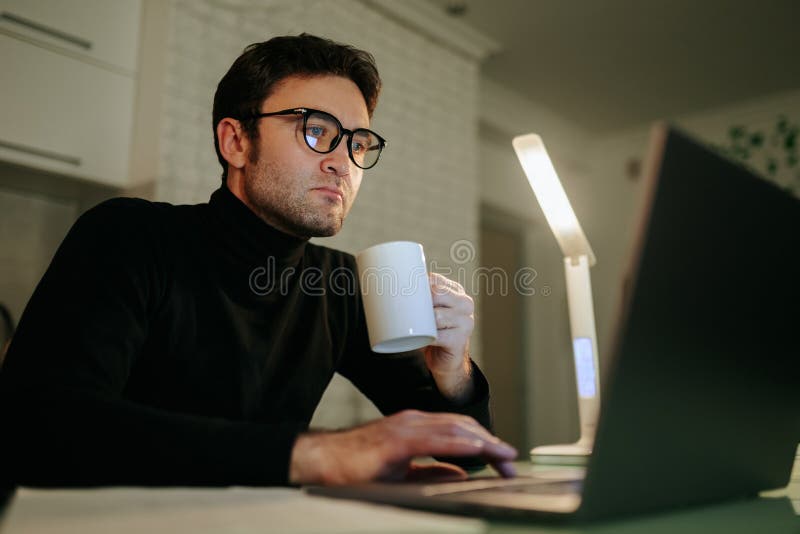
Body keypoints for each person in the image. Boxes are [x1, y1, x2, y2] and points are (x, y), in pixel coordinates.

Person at [0, 34, 516, 487]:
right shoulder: (130, 235)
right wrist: (317, 454)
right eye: (317, 130)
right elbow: (41, 427)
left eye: (359, 142)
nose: (343, 162)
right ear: (236, 141)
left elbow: (466, 457)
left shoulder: (340, 284)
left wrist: (454, 372)